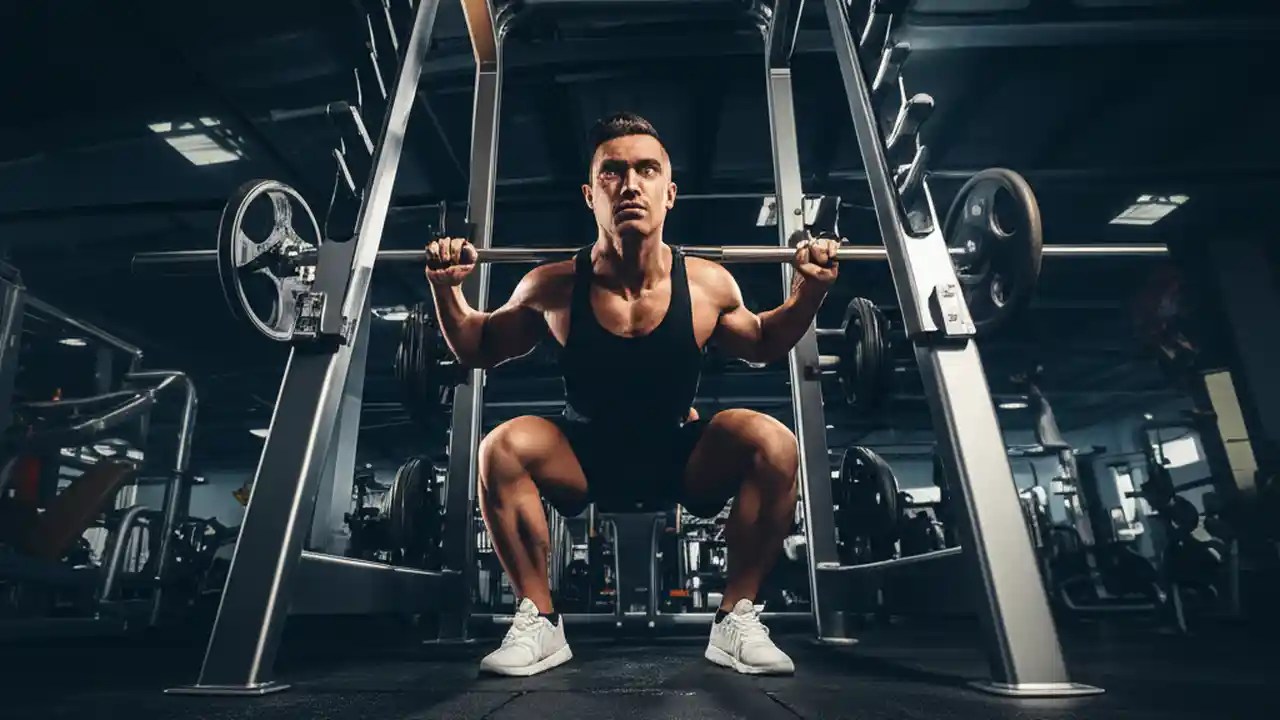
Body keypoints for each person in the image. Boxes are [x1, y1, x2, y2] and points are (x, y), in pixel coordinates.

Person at [425, 112, 839, 677]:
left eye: (646, 170)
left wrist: (809, 293)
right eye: (612, 172)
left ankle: (735, 618)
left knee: (774, 442)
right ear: (590, 195)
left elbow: (765, 343)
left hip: (680, 455)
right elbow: (478, 346)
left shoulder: (707, 284)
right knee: (500, 446)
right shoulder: (555, 286)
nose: (630, 184)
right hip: (584, 454)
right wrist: (446, 291)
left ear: (669, 193)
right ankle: (540, 622)